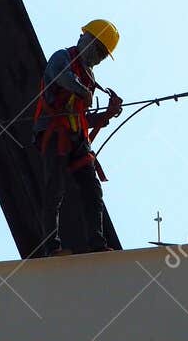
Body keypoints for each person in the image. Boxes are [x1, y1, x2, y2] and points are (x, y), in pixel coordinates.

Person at [31, 19, 123, 256]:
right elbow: (61, 77)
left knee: (92, 191)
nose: (98, 57)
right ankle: (51, 247)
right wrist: (83, 91)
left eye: (102, 54)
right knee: (55, 190)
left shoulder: (89, 77)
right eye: (98, 50)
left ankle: (97, 244)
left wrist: (107, 114)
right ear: (85, 39)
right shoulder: (62, 58)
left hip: (76, 139)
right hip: (54, 134)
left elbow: (83, 116)